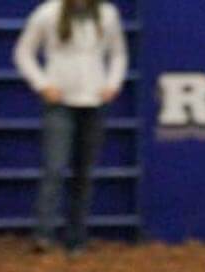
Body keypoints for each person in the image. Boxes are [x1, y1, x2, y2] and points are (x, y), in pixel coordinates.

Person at [14, 0, 127, 255]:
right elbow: (23, 52)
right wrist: (42, 84)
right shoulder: (47, 13)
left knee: (83, 172)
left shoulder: (108, 14)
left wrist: (112, 83)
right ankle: (43, 234)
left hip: (94, 104)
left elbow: (118, 53)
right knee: (54, 168)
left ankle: (76, 237)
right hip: (60, 104)